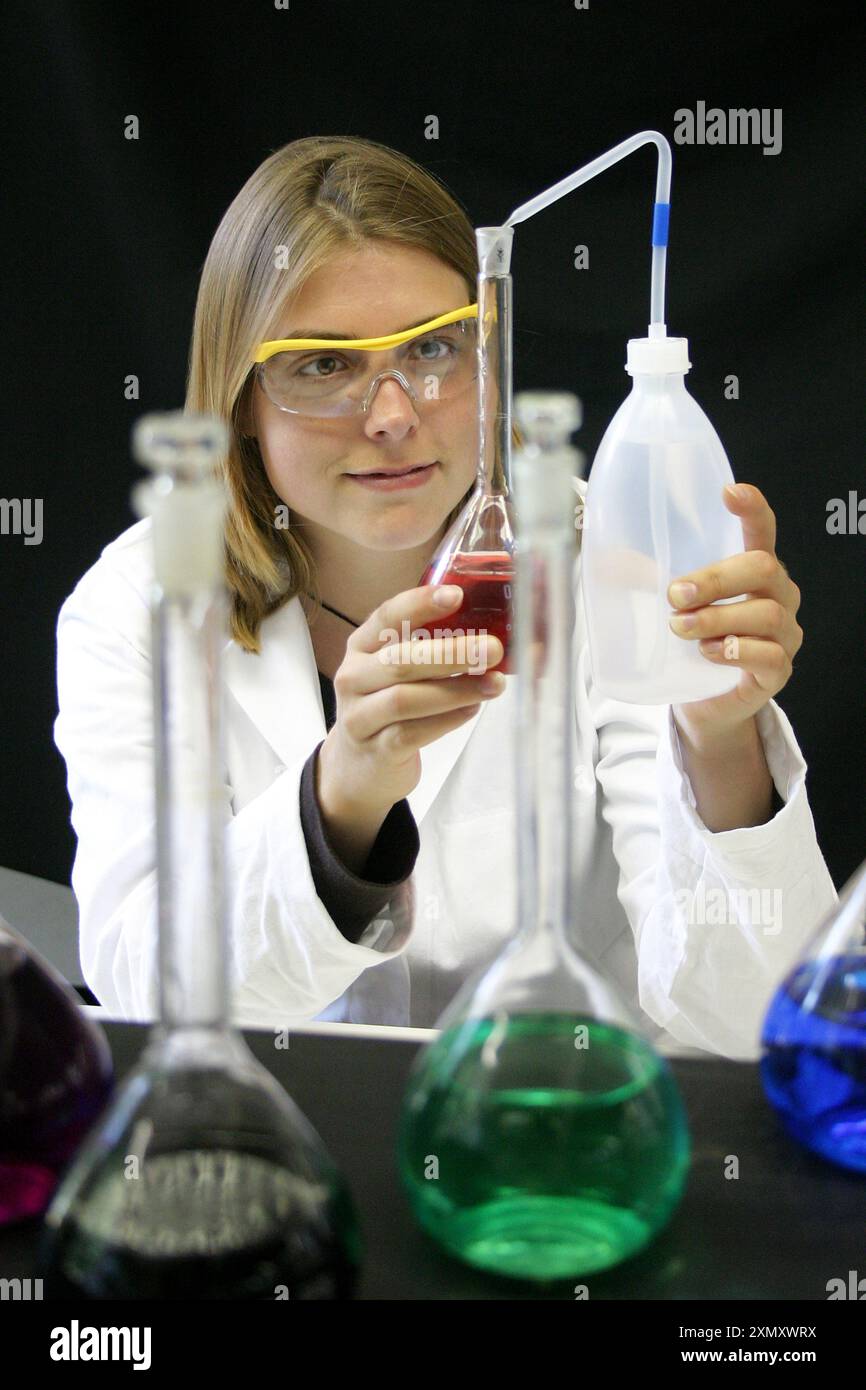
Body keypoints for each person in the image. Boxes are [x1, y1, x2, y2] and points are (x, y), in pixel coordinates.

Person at [53, 135, 837, 1058]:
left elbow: (758, 1023)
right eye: (324, 364)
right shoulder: (139, 607)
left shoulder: (602, 563)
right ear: (240, 404)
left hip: (562, 1146)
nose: (392, 415)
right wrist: (339, 799)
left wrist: (719, 741)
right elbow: (146, 984)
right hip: (290, 1146)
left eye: (434, 347)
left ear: (489, 356)